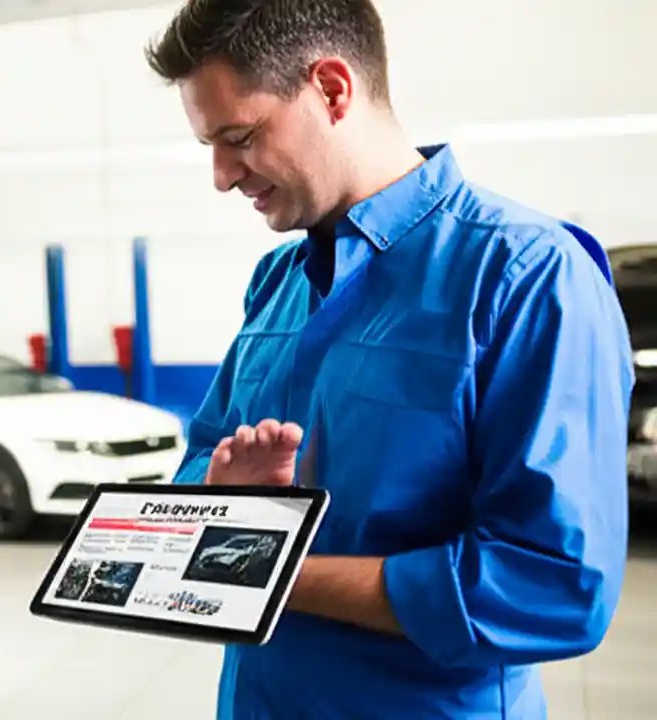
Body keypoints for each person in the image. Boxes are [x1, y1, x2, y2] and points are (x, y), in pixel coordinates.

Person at [144, 1, 632, 718]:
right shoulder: (277, 284)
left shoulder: (526, 276)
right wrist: (219, 496)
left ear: (333, 89)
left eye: (239, 136)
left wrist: (269, 569)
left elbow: (552, 585)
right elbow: (201, 459)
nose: (222, 176)